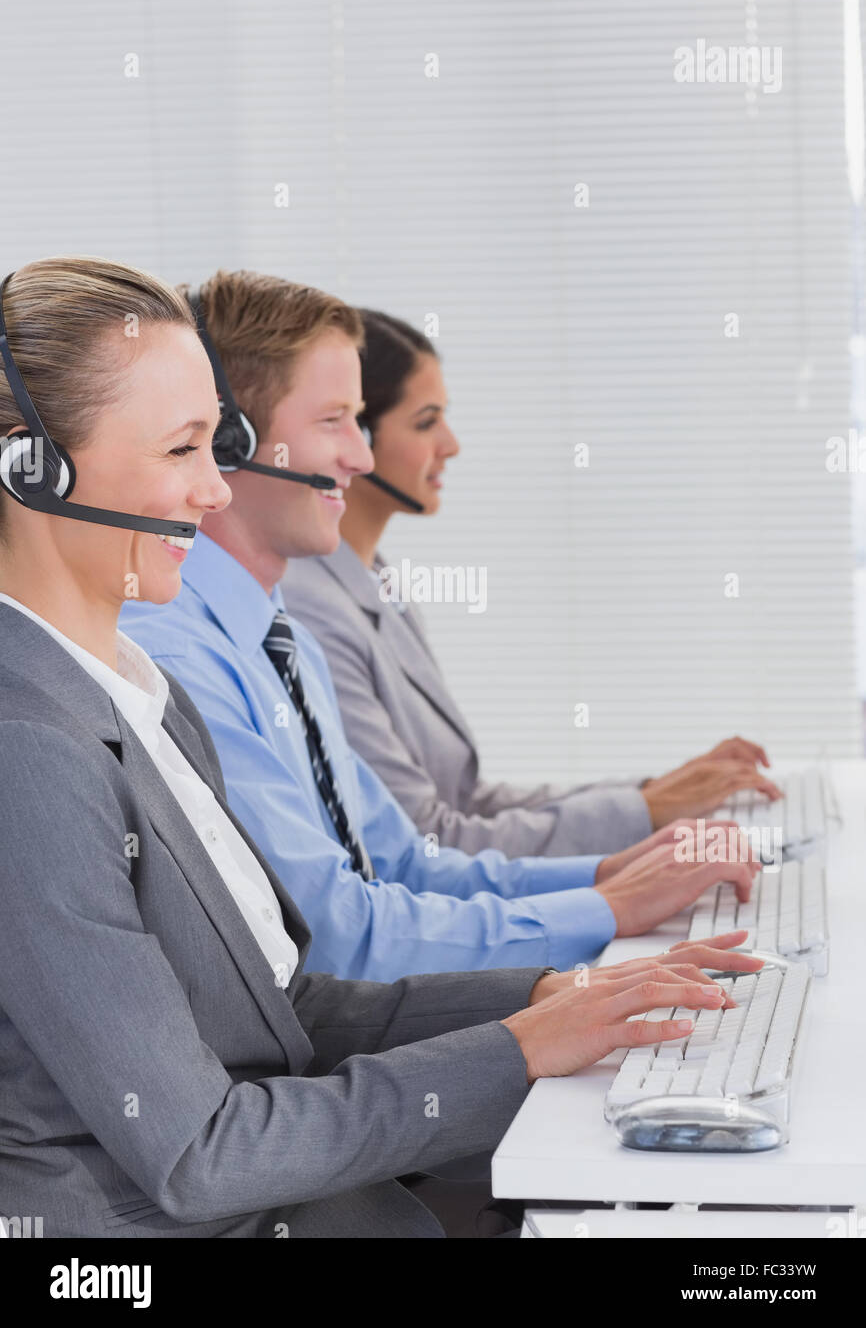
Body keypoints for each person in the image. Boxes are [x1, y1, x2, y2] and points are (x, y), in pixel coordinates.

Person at [0, 255, 760, 1239]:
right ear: (32, 466)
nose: (215, 492)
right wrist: (515, 1050)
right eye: (183, 449)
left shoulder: (144, 696)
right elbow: (198, 1152)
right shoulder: (32, 750)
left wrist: (553, 995)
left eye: (217, 446)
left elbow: (276, 1013)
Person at [120, 269, 766, 983]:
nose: (361, 459)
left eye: (360, 423)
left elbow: (402, 861)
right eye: (333, 422)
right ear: (233, 441)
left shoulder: (281, 640)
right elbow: (334, 937)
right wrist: (606, 910)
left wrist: (610, 874)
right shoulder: (176, 662)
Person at [283, 308, 780, 858]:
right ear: (358, 436)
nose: (451, 444)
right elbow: (431, 836)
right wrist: (644, 815)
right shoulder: (312, 611)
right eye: (426, 422)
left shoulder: (371, 579)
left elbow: (467, 800)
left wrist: (651, 792)